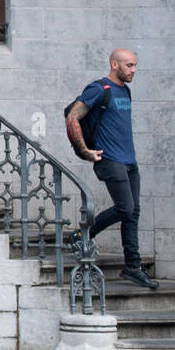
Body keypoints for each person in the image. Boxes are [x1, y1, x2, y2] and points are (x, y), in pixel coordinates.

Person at [65, 48, 158, 289]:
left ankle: (132, 267)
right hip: (109, 160)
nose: (133, 70)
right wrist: (84, 150)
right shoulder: (99, 89)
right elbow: (72, 117)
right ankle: (82, 235)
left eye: (135, 65)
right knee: (125, 207)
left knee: (132, 212)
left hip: (129, 161)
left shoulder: (125, 91)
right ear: (114, 65)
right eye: (129, 65)